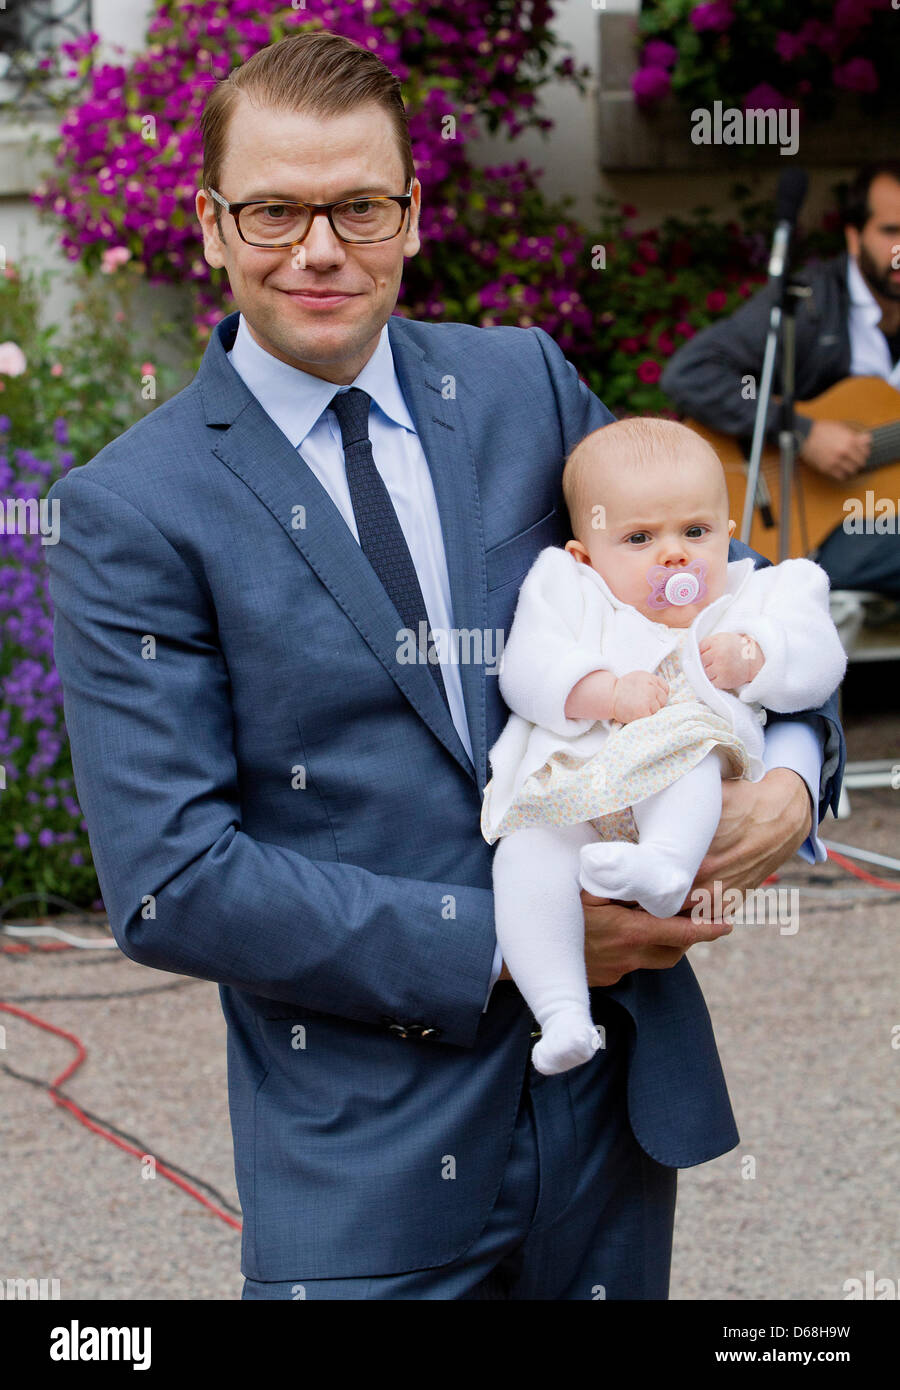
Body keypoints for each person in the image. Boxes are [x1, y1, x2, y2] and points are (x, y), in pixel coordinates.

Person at [45, 29, 844, 1300]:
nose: (320, 249)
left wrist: (792, 780)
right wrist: (514, 942)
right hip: (368, 1161)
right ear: (209, 224)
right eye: (274, 211)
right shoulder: (134, 509)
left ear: (412, 214)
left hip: (613, 1118)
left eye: (359, 207)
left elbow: (727, 589)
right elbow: (172, 880)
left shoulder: (522, 384)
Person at [481, 418, 847, 1076]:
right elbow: (527, 668)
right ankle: (562, 1012)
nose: (675, 555)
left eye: (696, 532)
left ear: (728, 532)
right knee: (525, 858)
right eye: (640, 538)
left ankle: (666, 865)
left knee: (688, 746)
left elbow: (819, 658)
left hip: (680, 779)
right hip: (575, 792)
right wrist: (599, 691)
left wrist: (756, 655)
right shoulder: (567, 588)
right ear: (585, 555)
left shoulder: (761, 592)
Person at [661, 161, 900, 598]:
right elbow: (691, 373)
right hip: (805, 525)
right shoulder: (807, 303)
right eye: (890, 231)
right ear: (854, 236)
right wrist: (800, 431)